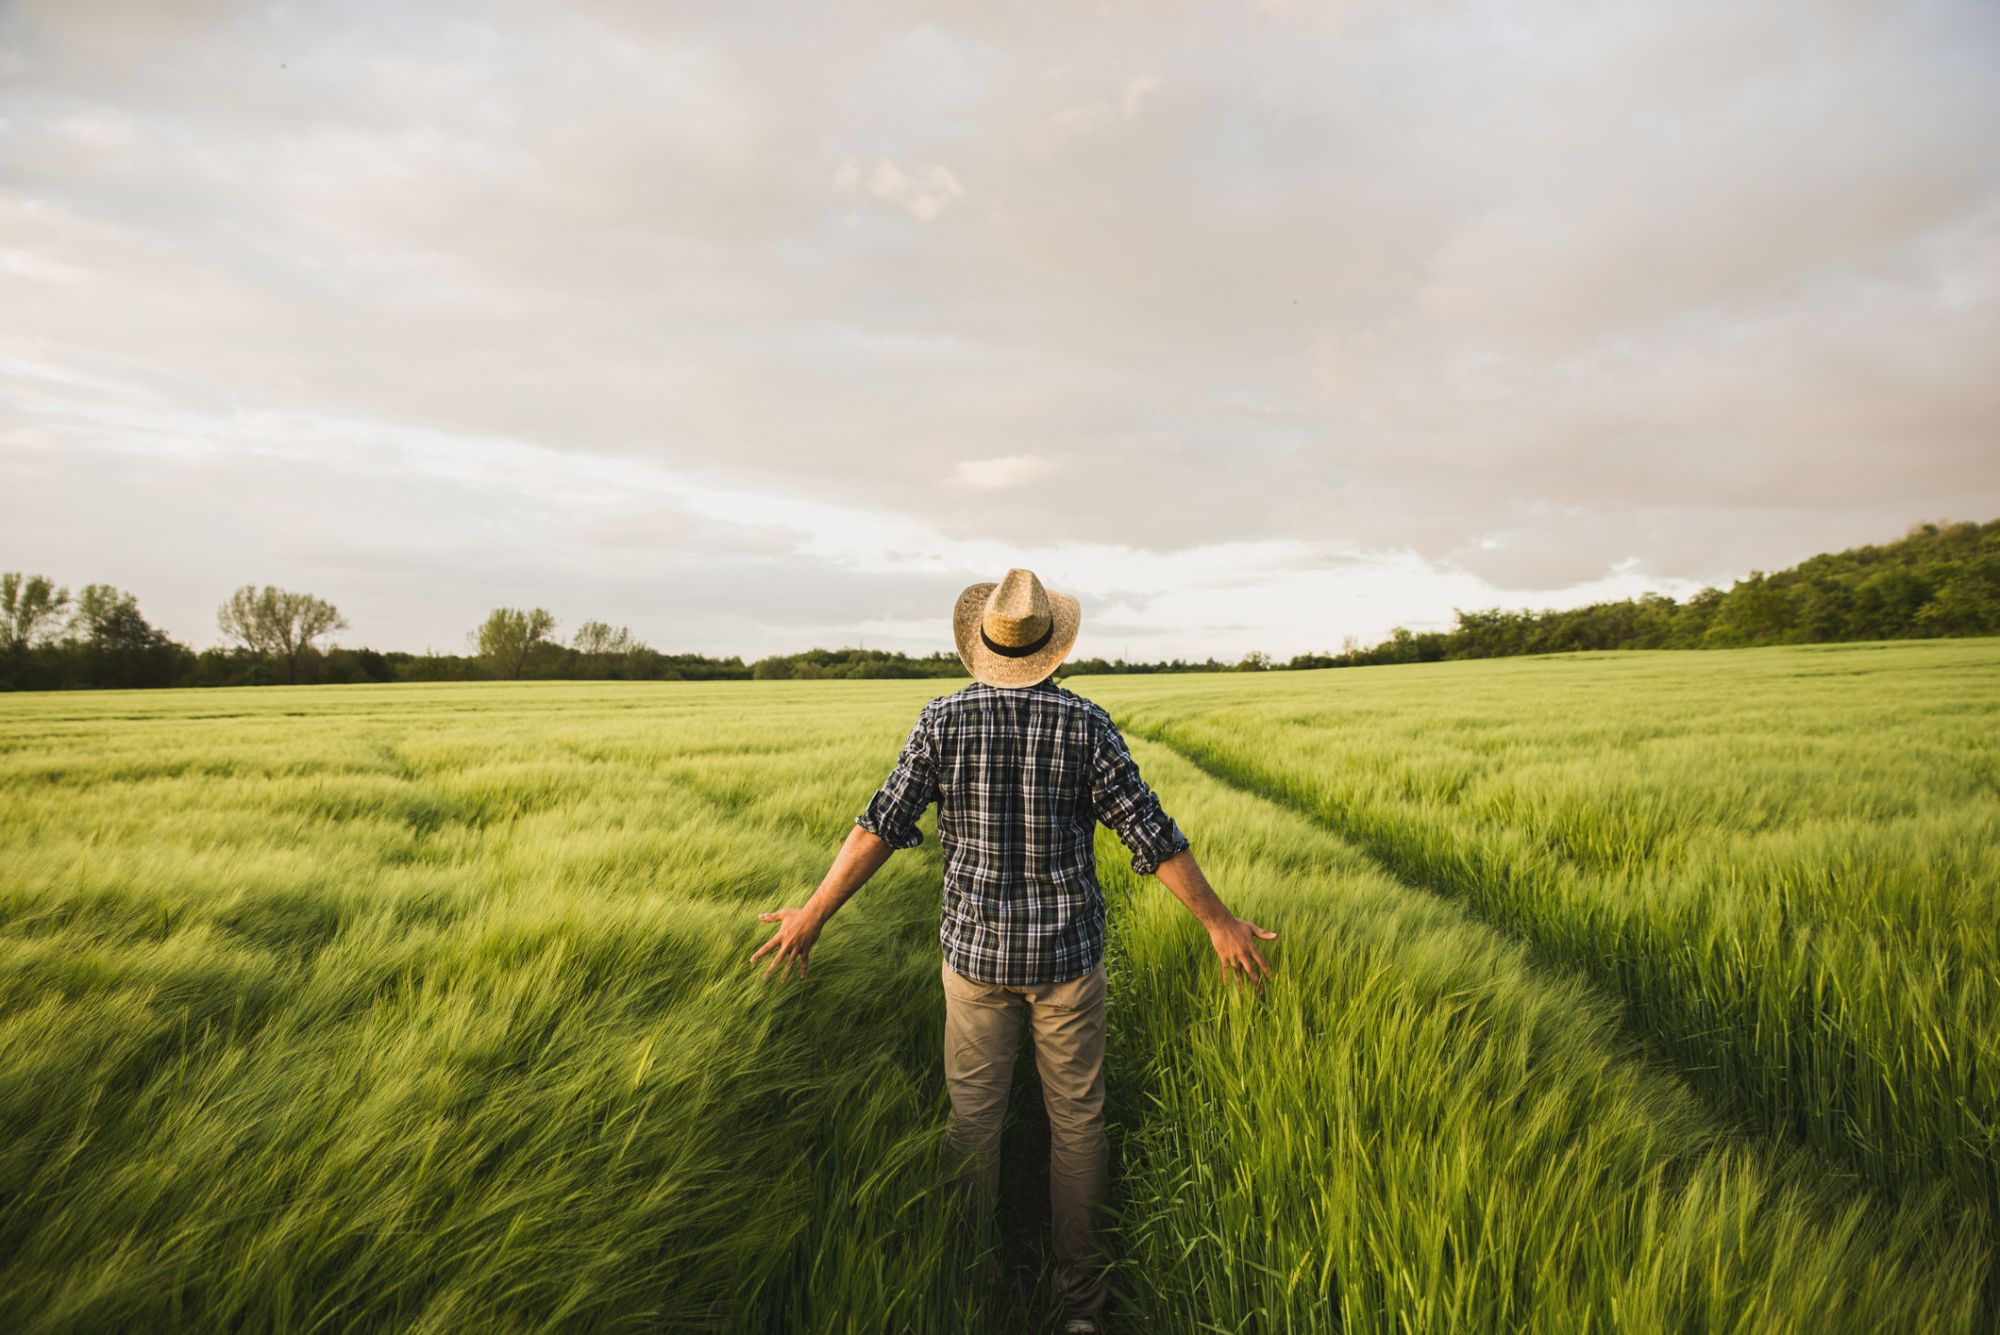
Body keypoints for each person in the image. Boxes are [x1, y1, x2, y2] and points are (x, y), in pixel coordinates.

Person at [751, 567, 1277, 1334]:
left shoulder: (941, 721)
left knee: (972, 1124)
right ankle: (1084, 1307)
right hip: (1067, 959)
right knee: (1078, 1125)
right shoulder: (1086, 724)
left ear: (983, 645)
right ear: (1052, 647)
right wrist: (1219, 921)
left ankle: (970, 1286)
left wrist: (814, 913)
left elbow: (881, 825)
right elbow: (1150, 833)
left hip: (974, 960)